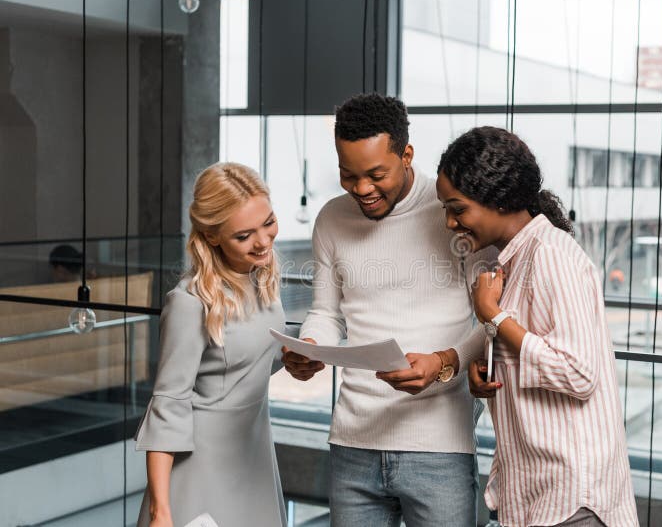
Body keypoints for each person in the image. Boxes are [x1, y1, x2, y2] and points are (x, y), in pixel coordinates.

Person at [281, 94, 486, 527]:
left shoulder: (454, 212)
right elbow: (327, 313)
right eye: (348, 175)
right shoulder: (331, 219)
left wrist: (444, 363)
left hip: (440, 445)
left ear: (406, 155)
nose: (362, 190)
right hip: (353, 441)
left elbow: (491, 320)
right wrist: (311, 346)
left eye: (376, 175)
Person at [436, 127, 638, 527]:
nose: (449, 223)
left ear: (497, 198)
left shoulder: (551, 254)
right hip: (540, 493)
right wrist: (490, 378)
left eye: (457, 209)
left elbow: (578, 373)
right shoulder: (515, 259)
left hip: (571, 500)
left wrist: (492, 314)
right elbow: (539, 353)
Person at [134, 163, 287, 527]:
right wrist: (161, 511)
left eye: (268, 223)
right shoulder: (189, 302)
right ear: (213, 236)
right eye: (244, 235)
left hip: (254, 459)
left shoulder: (261, 277)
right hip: (201, 469)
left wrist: (292, 358)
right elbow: (168, 404)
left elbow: (247, 359)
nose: (263, 242)